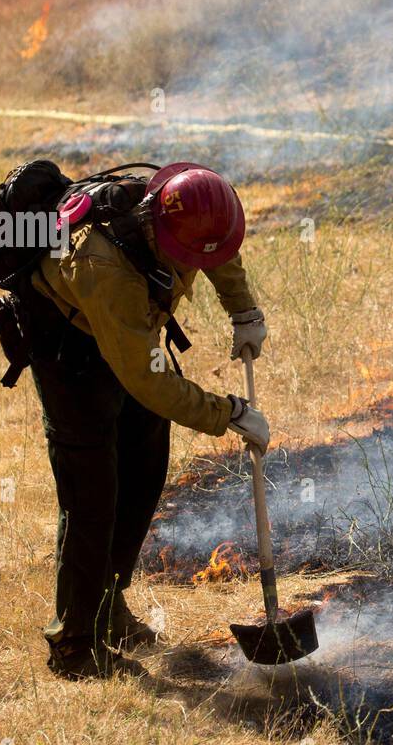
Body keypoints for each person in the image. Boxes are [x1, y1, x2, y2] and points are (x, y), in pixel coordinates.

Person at [20, 161, 270, 679]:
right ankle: (74, 643)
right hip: (70, 342)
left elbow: (215, 245)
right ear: (161, 228)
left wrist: (243, 311)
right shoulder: (104, 268)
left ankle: (109, 605)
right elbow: (148, 381)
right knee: (92, 492)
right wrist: (230, 414)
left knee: (145, 464)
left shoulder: (188, 208)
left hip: (129, 331)